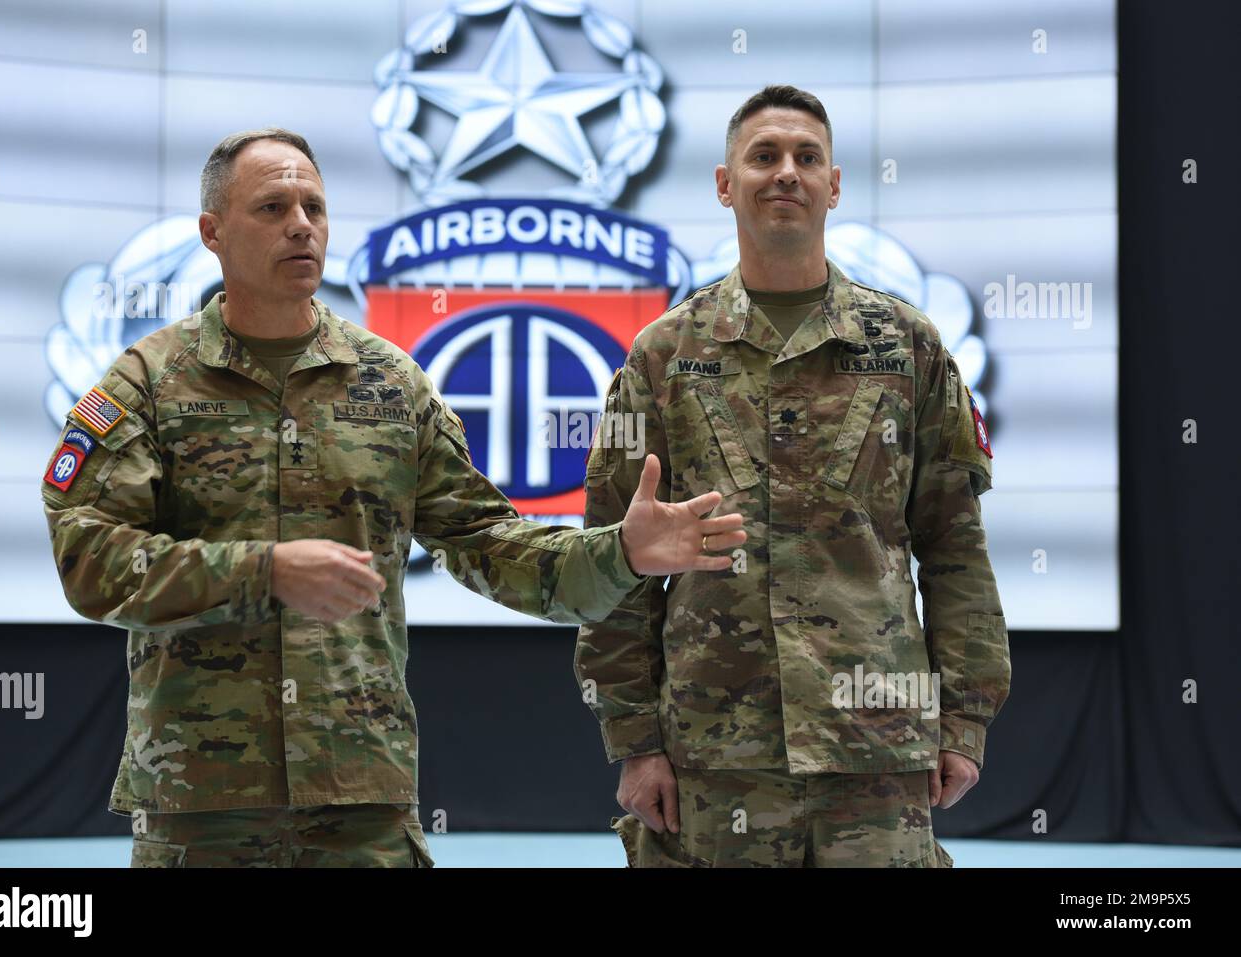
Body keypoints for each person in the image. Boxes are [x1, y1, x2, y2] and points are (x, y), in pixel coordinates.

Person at [40, 127, 745, 868]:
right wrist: (263, 571)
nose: (301, 224)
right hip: (203, 804)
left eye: (313, 205)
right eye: (272, 207)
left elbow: (488, 545)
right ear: (212, 232)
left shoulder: (390, 384)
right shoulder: (147, 384)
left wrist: (620, 553)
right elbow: (90, 560)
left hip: (361, 802)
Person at [575, 86, 1010, 867]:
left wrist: (965, 721)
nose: (786, 174)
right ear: (723, 183)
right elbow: (614, 561)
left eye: (807, 158)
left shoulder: (908, 346)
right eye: (764, 156)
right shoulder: (662, 355)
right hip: (714, 753)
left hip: (876, 745)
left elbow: (955, 551)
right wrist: (634, 740)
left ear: (834, 185)